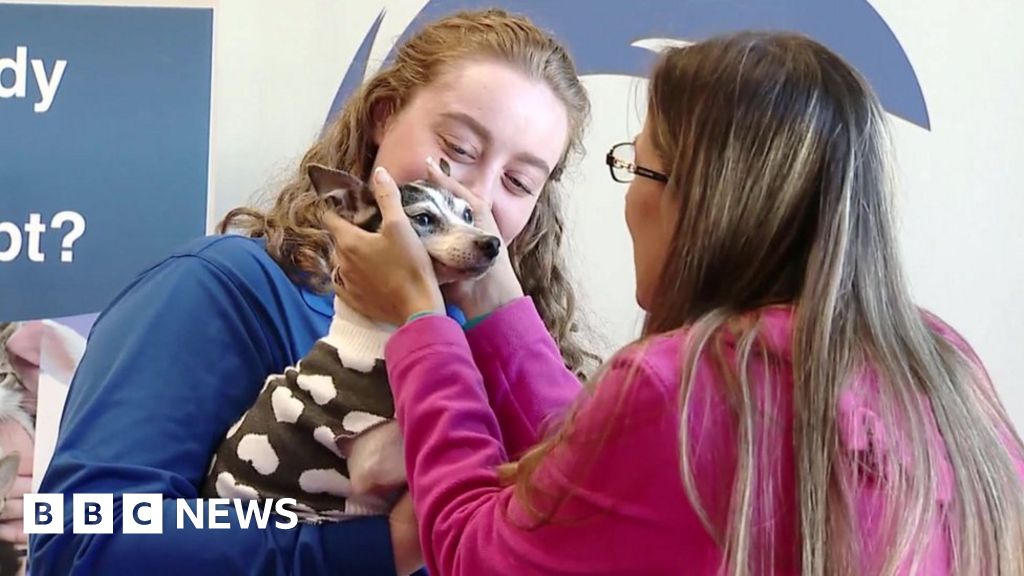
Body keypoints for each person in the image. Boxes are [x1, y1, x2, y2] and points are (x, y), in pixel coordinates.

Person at [327, 32, 1024, 575]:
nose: (477, 196)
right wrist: (490, 290)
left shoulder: (682, 387)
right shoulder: (946, 372)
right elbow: (597, 477)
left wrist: (424, 323)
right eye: (457, 148)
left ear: (702, 200)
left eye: (639, 164)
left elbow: (480, 553)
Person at [30, 9, 595, 575]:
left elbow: (593, 523)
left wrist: (499, 313)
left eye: (519, 182)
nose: (475, 195)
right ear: (384, 116)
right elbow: (82, 539)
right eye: (458, 146)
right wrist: (372, 548)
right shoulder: (226, 288)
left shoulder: (510, 360)